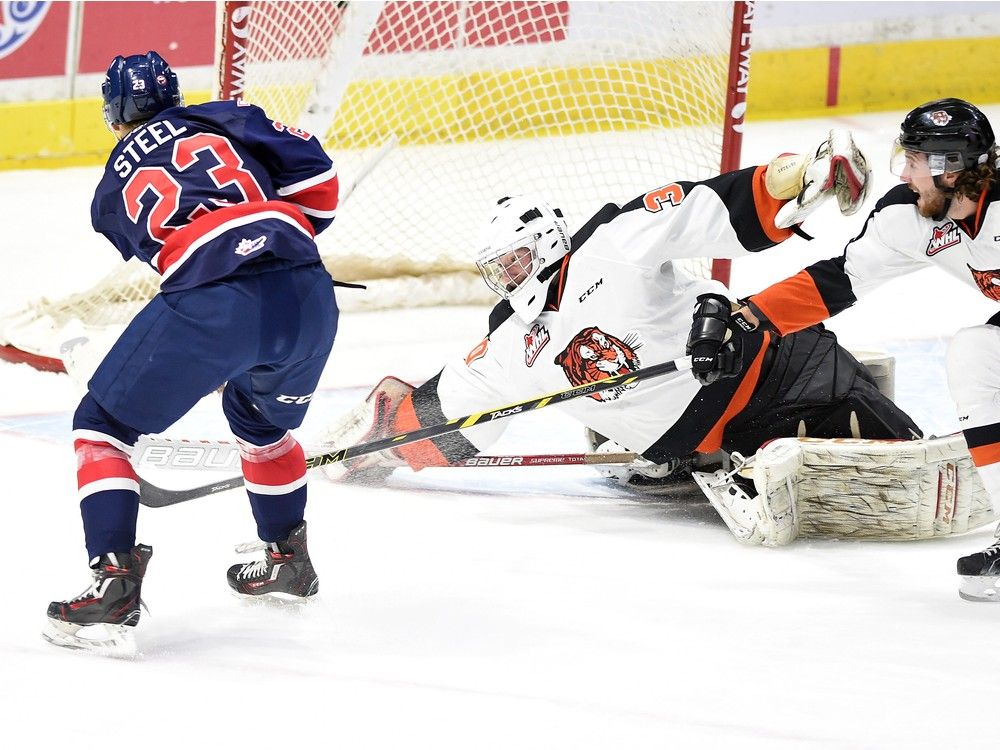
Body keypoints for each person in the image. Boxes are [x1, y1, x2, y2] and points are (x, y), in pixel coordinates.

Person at [319, 131, 922, 543]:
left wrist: (801, 176)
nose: (509, 280)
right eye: (497, 270)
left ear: (547, 241)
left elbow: (711, 205)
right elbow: (450, 416)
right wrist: (380, 448)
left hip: (779, 370)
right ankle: (700, 460)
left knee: (905, 459)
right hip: (710, 443)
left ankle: (866, 399)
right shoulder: (510, 345)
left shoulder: (610, 243)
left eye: (514, 262)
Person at [44, 51, 341, 653]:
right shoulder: (224, 117)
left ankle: (114, 582)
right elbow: (320, 186)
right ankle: (288, 558)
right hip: (309, 293)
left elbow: (173, 252)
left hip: (216, 303)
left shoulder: (107, 191)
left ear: (112, 110)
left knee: (100, 427)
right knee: (258, 423)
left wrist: (213, 342)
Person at [689, 98, 1000, 600]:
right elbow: (841, 279)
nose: (905, 173)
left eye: (915, 162)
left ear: (951, 169)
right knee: (977, 354)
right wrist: (749, 319)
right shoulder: (909, 216)